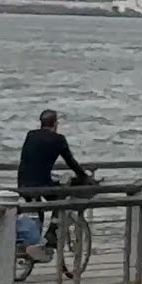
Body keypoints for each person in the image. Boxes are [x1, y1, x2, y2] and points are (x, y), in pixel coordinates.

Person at [17, 109, 92, 259]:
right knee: (61, 195)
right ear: (55, 124)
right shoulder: (59, 140)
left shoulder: (31, 135)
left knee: (37, 210)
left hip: (23, 183)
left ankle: (31, 246)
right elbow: (71, 162)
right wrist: (85, 177)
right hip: (42, 185)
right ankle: (51, 232)